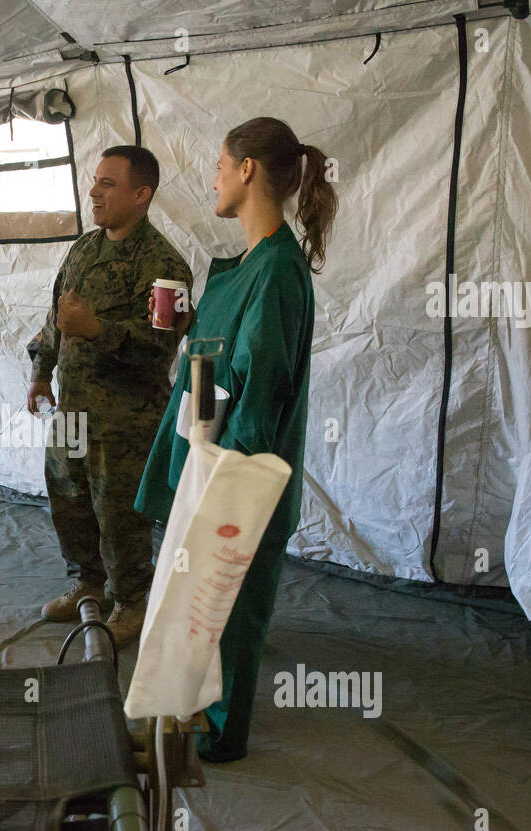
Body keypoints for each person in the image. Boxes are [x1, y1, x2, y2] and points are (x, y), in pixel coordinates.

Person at [135, 117, 338, 761]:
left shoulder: (277, 268)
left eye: (220, 165)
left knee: (233, 605)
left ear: (248, 170)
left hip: (239, 470)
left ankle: (224, 731)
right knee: (205, 599)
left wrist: (227, 485)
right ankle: (198, 705)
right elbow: (233, 355)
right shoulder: (250, 264)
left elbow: (266, 383)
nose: (214, 178)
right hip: (213, 455)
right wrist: (193, 323)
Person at [29, 146, 195, 645]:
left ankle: (132, 601)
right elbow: (57, 316)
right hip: (73, 412)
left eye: (108, 184)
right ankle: (88, 585)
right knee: (70, 501)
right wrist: (41, 370)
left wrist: (97, 328)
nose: (94, 192)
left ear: (142, 195)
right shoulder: (82, 249)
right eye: (94, 181)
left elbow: (161, 344)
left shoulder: (167, 267)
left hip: (126, 423)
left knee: (120, 515)